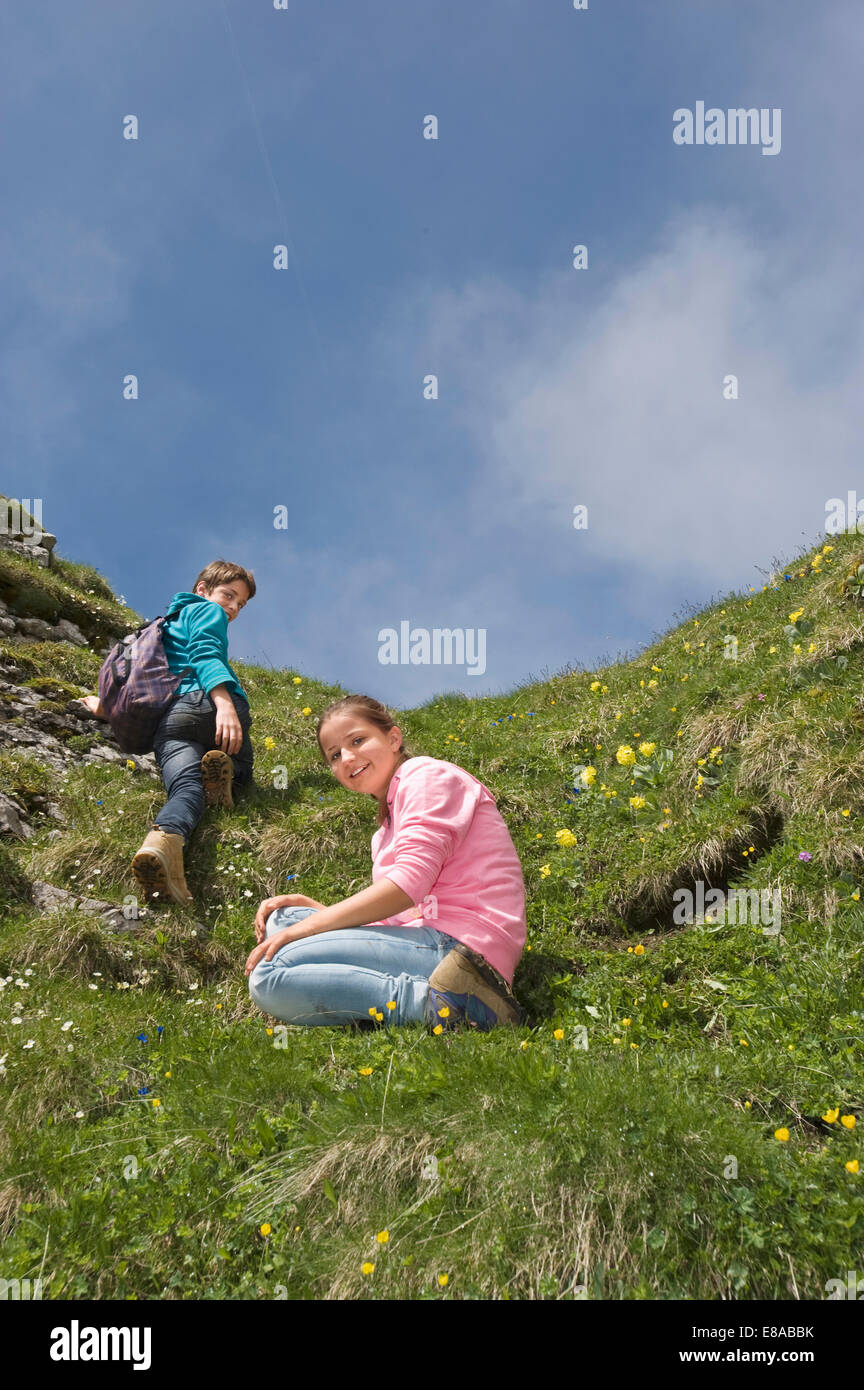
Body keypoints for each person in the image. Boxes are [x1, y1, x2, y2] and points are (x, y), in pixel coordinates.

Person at [245, 693, 527, 1033]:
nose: (347, 758)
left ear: (393, 738)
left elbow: (409, 886)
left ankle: (451, 1002)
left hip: (464, 947)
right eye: (335, 755)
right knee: (282, 919)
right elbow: (395, 917)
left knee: (270, 974)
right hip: (426, 936)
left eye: (358, 740)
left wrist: (306, 930)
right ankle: (410, 997)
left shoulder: (425, 776)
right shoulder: (383, 833)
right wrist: (312, 911)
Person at [105, 560, 256, 904]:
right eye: (229, 596)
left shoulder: (160, 626)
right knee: (245, 770)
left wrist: (102, 706)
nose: (232, 608)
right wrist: (226, 705)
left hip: (169, 723)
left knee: (185, 787)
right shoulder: (206, 612)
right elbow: (206, 653)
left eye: (241, 604)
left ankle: (162, 843)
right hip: (205, 702)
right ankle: (228, 780)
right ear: (202, 590)